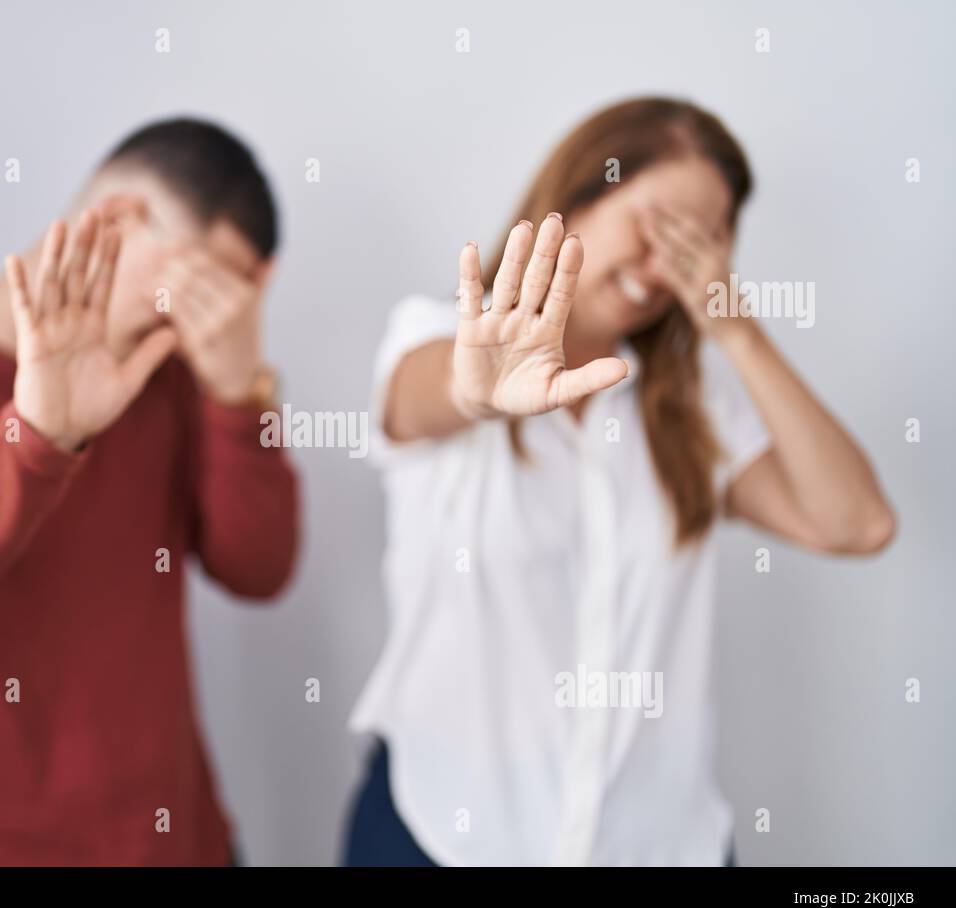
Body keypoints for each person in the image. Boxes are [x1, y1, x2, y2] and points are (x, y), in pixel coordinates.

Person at [343, 97, 896, 866]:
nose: (658, 267)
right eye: (654, 225)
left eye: (696, 244)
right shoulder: (437, 340)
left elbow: (857, 524)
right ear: (576, 198)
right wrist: (477, 391)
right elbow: (426, 395)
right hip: (446, 832)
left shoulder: (690, 412)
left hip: (658, 844)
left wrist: (736, 330)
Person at [0, 118, 299, 865]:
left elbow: (257, 568)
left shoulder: (172, 380)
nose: (197, 329)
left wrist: (238, 393)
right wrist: (36, 439)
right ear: (119, 220)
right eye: (196, 292)